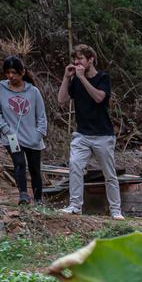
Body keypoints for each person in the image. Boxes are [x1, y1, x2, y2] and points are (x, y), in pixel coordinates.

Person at [57, 44, 122, 219]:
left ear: (90, 59)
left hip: (103, 135)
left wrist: (82, 79)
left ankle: (116, 210)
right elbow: (61, 100)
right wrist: (66, 77)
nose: (77, 62)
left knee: (109, 173)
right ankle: (75, 206)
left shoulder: (103, 78)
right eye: (75, 59)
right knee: (75, 165)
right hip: (82, 134)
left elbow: (99, 97)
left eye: (80, 59)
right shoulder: (75, 80)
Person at [0, 56, 47, 206]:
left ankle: (39, 200)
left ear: (22, 72)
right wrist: (5, 130)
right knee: (19, 163)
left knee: (34, 168)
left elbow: (41, 117)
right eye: (7, 72)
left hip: (32, 137)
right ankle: (23, 195)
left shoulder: (33, 92)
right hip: (12, 137)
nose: (10, 76)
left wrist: (38, 135)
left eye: (14, 72)